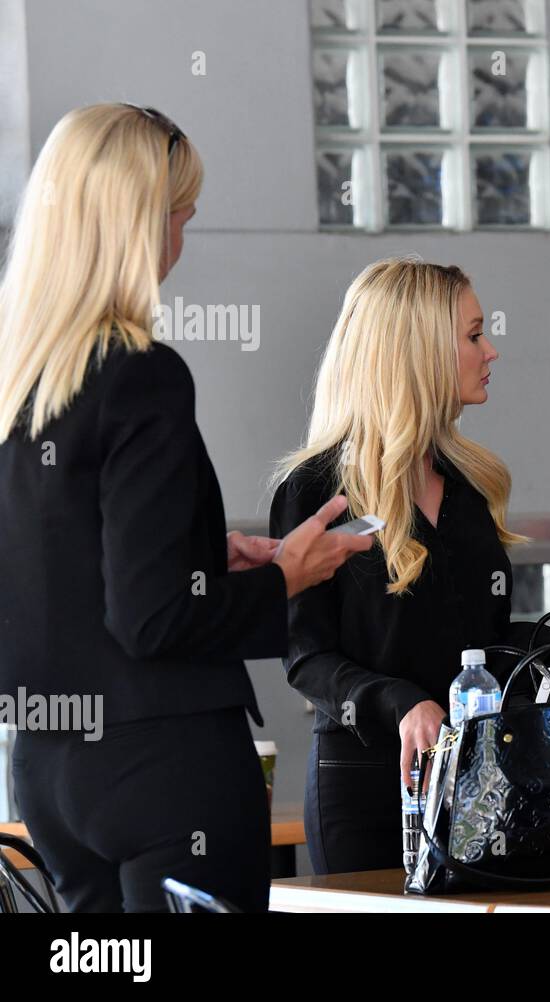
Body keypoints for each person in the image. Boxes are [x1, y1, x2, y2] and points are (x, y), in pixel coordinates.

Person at [0, 103, 370, 912]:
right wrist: (288, 578)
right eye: (178, 217)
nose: (179, 244)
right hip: (162, 765)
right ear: (134, 224)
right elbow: (152, 619)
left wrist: (203, 554)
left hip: (47, 775)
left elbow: (58, 571)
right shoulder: (140, 374)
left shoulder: (17, 385)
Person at [270, 258, 550, 875]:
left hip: (474, 786)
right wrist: (401, 703)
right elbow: (305, 657)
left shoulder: (467, 490)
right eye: (474, 335)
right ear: (417, 350)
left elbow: (485, 640)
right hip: (364, 789)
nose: (492, 350)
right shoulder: (317, 488)